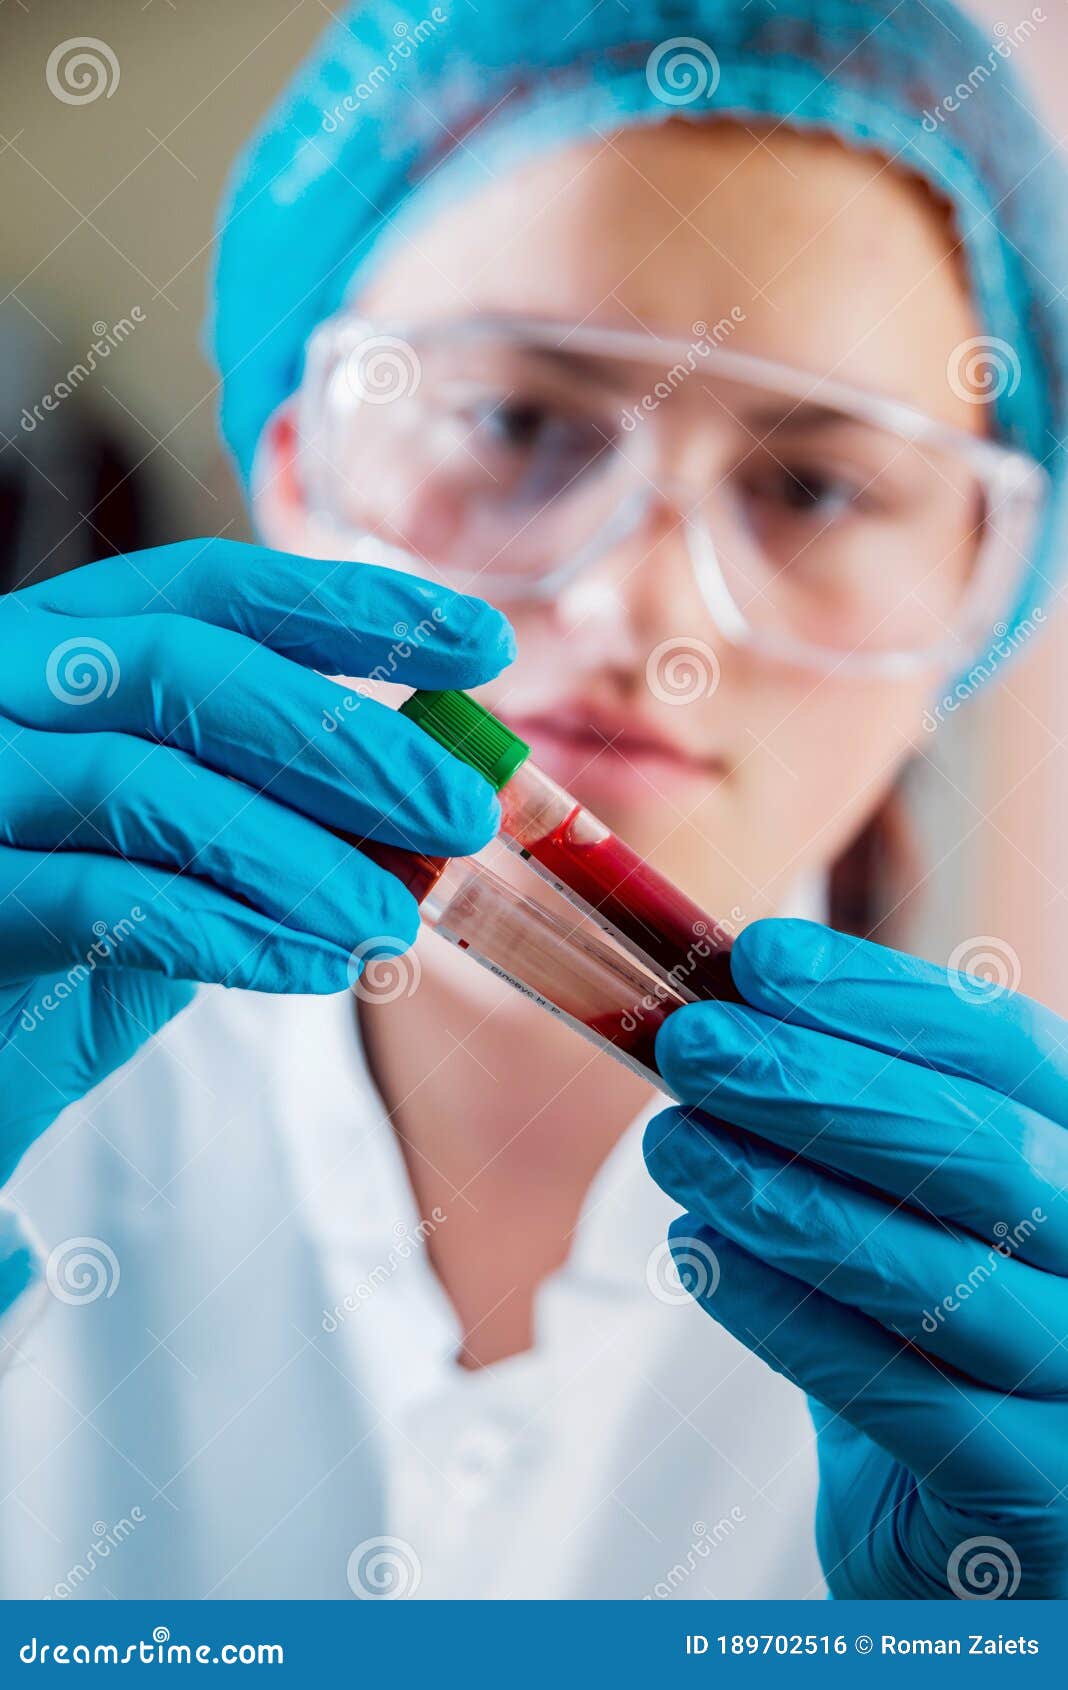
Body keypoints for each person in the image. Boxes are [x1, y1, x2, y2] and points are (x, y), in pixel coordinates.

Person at [0, 0, 1066, 1600]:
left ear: (976, 602)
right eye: (518, 419)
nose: (644, 611)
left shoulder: (1014, 1314)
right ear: (297, 466)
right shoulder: (43, 1114)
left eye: (814, 484)